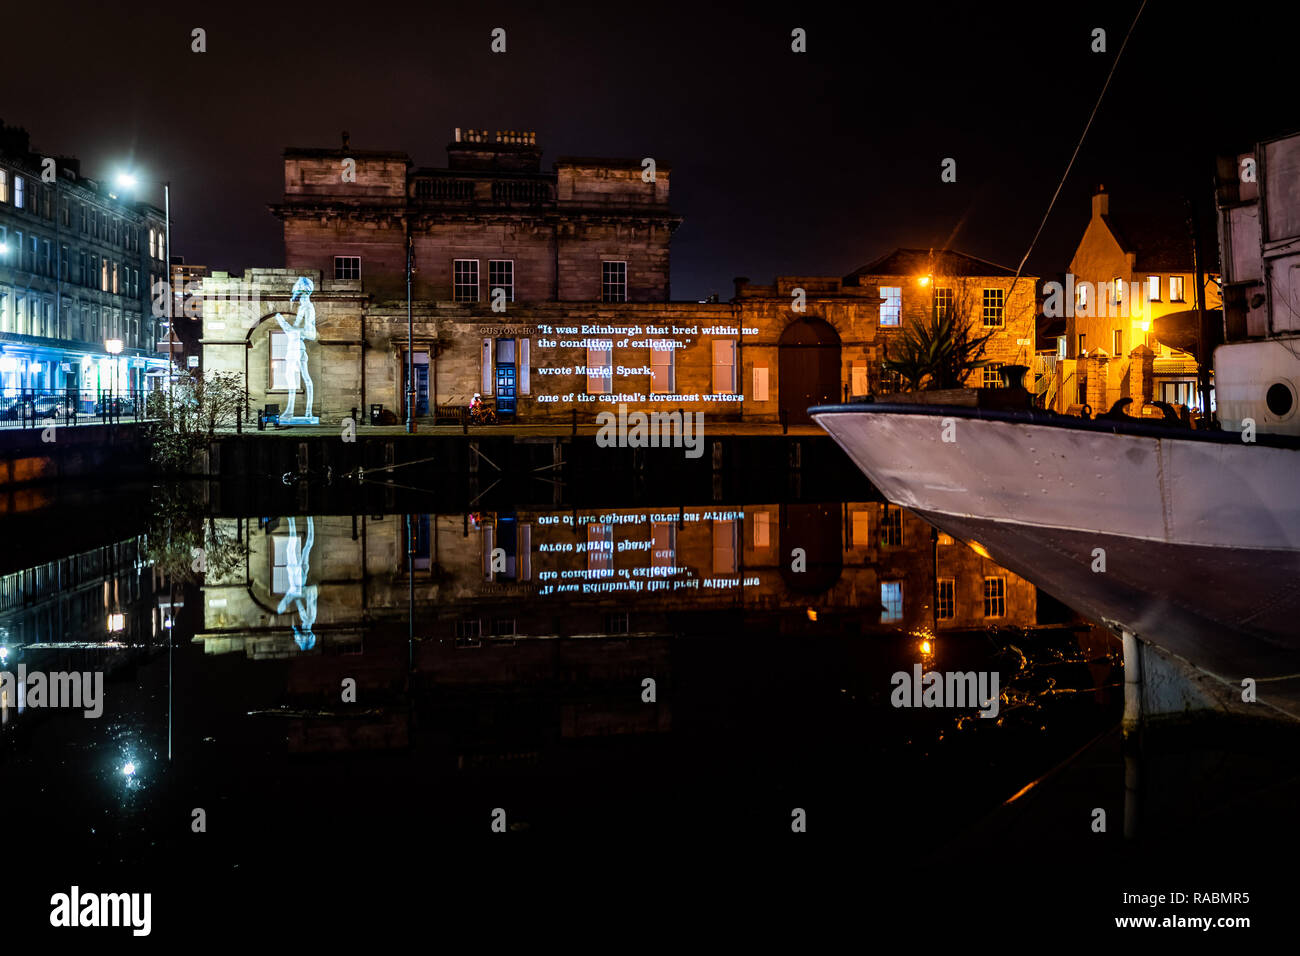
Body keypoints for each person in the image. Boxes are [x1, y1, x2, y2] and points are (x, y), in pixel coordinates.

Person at [274, 276, 318, 419]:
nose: (299, 298)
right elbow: (297, 328)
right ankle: (295, 411)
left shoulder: (308, 308)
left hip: (297, 347)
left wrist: (291, 329)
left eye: (301, 295)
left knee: (303, 377)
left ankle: (304, 411)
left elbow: (311, 333)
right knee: (296, 376)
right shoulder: (302, 308)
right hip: (295, 346)